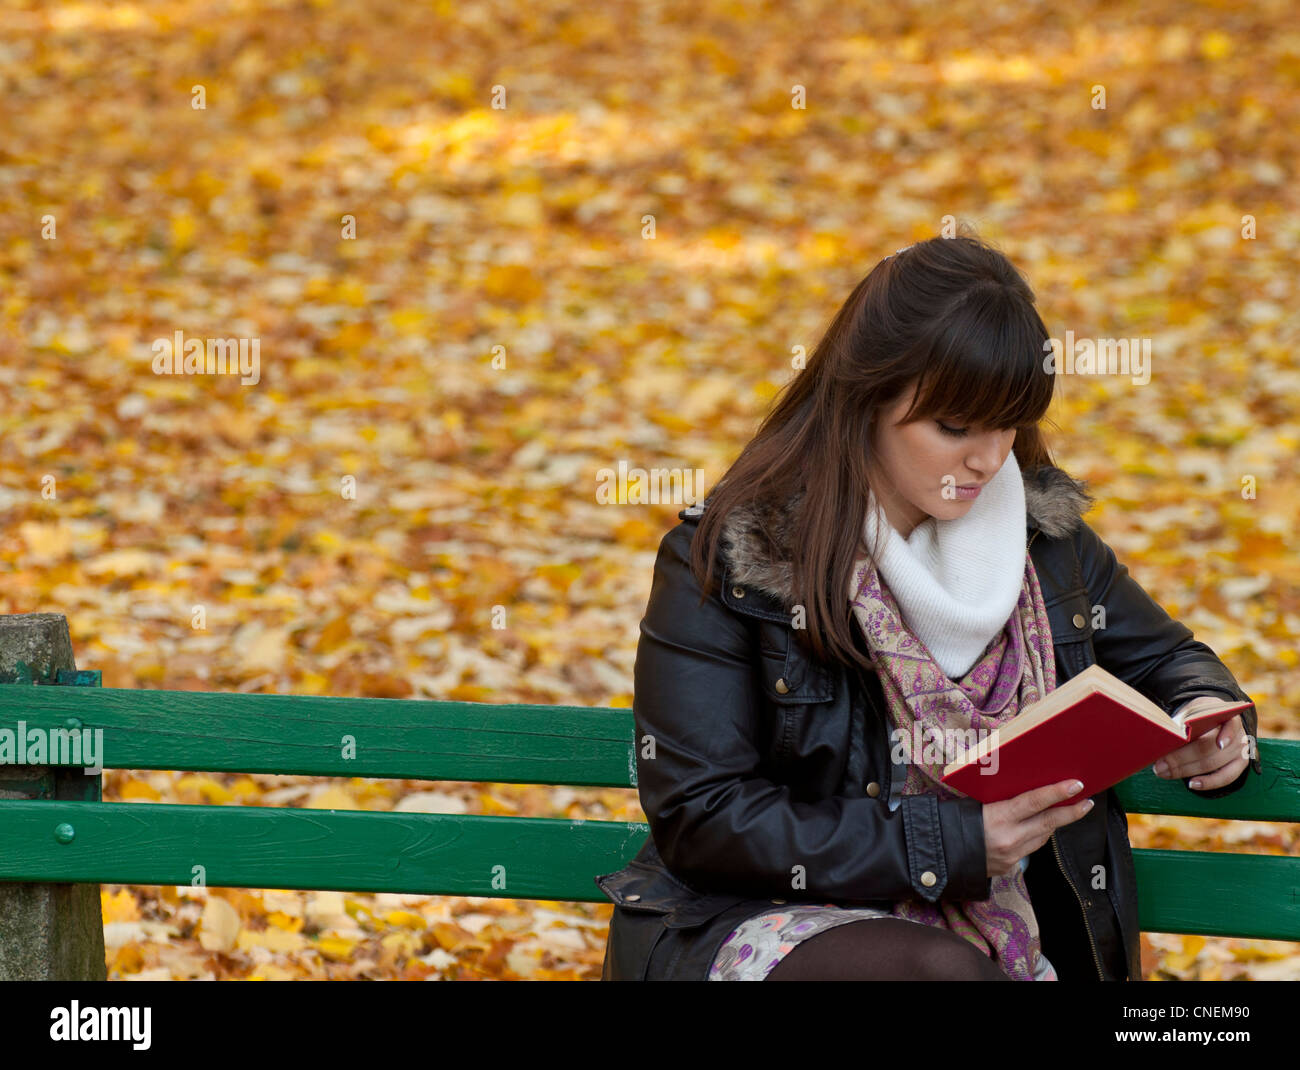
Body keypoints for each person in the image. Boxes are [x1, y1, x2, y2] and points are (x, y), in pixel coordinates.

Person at [595, 228, 1263, 981]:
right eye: (954, 427)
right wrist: (949, 843)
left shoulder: (1043, 542)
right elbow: (702, 818)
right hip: (761, 929)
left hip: (995, 946)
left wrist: (1211, 719)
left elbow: (1171, 661)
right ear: (866, 400)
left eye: (1007, 422)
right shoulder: (729, 560)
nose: (987, 458)